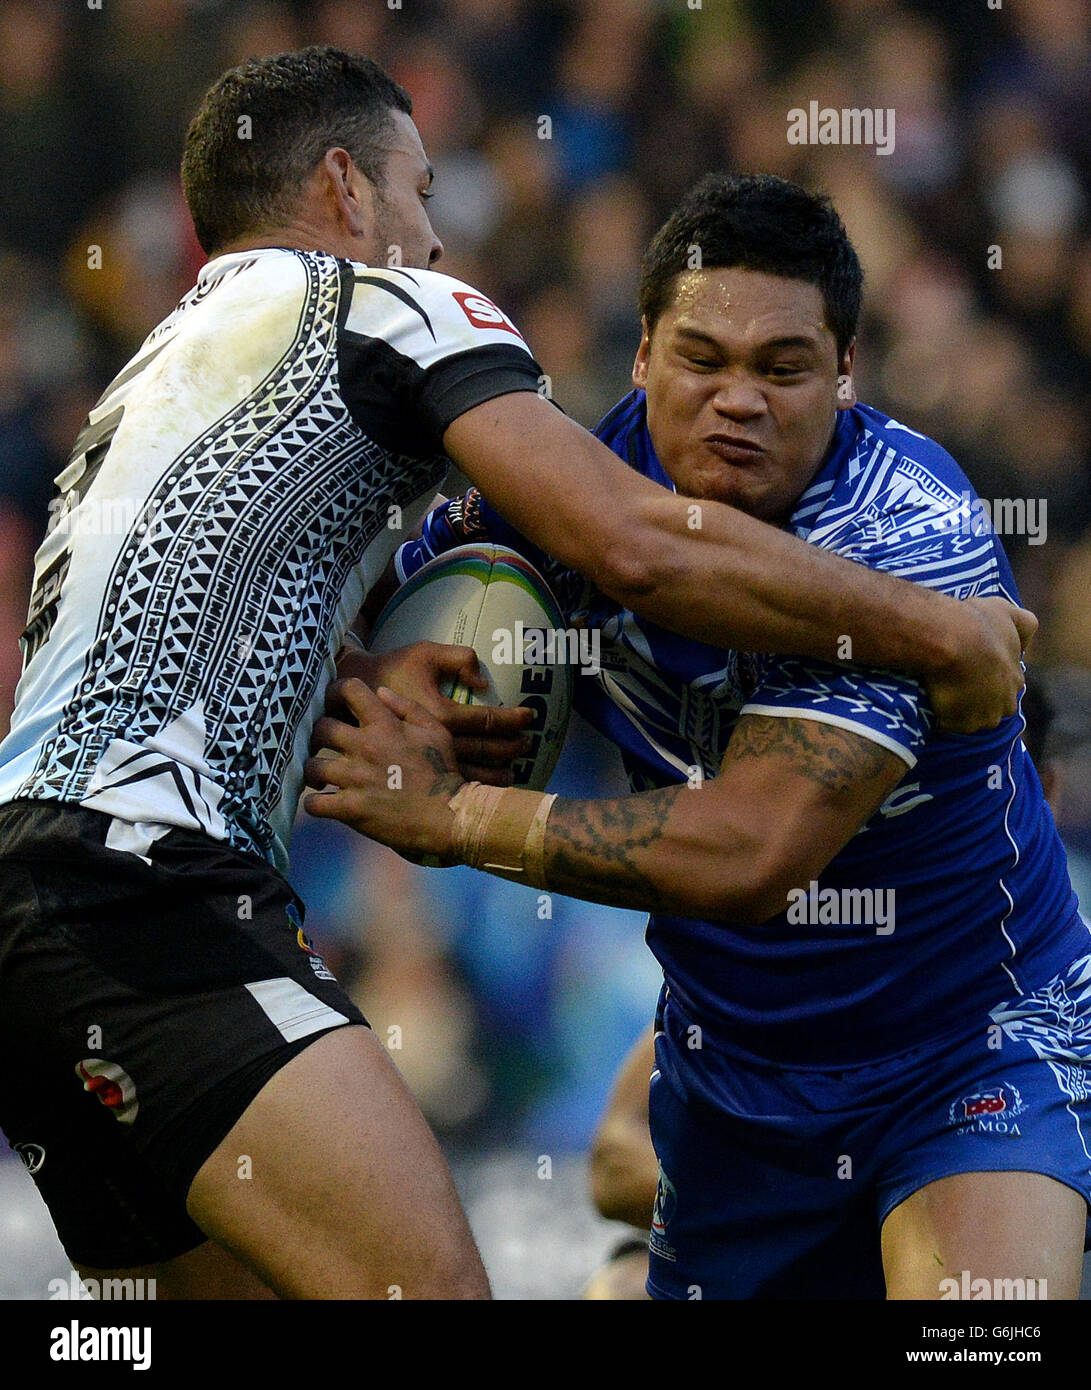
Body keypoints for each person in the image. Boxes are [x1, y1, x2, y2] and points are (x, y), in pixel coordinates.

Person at [0, 44, 1030, 1299]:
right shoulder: (383, 306)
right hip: (155, 902)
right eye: (419, 190)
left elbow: (167, 633)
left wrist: (357, 668)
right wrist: (947, 631)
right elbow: (635, 545)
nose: (434, 239)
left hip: (36, 913)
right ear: (345, 187)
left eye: (779, 369)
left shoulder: (167, 367)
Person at [309, 173, 1089, 1299]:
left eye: (780, 368)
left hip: (967, 1040)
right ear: (638, 356)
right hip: (730, 1069)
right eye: (699, 359)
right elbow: (395, 655)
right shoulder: (561, 500)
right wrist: (402, 709)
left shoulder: (908, 530)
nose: (738, 400)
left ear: (843, 374)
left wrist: (467, 814)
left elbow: (750, 855)